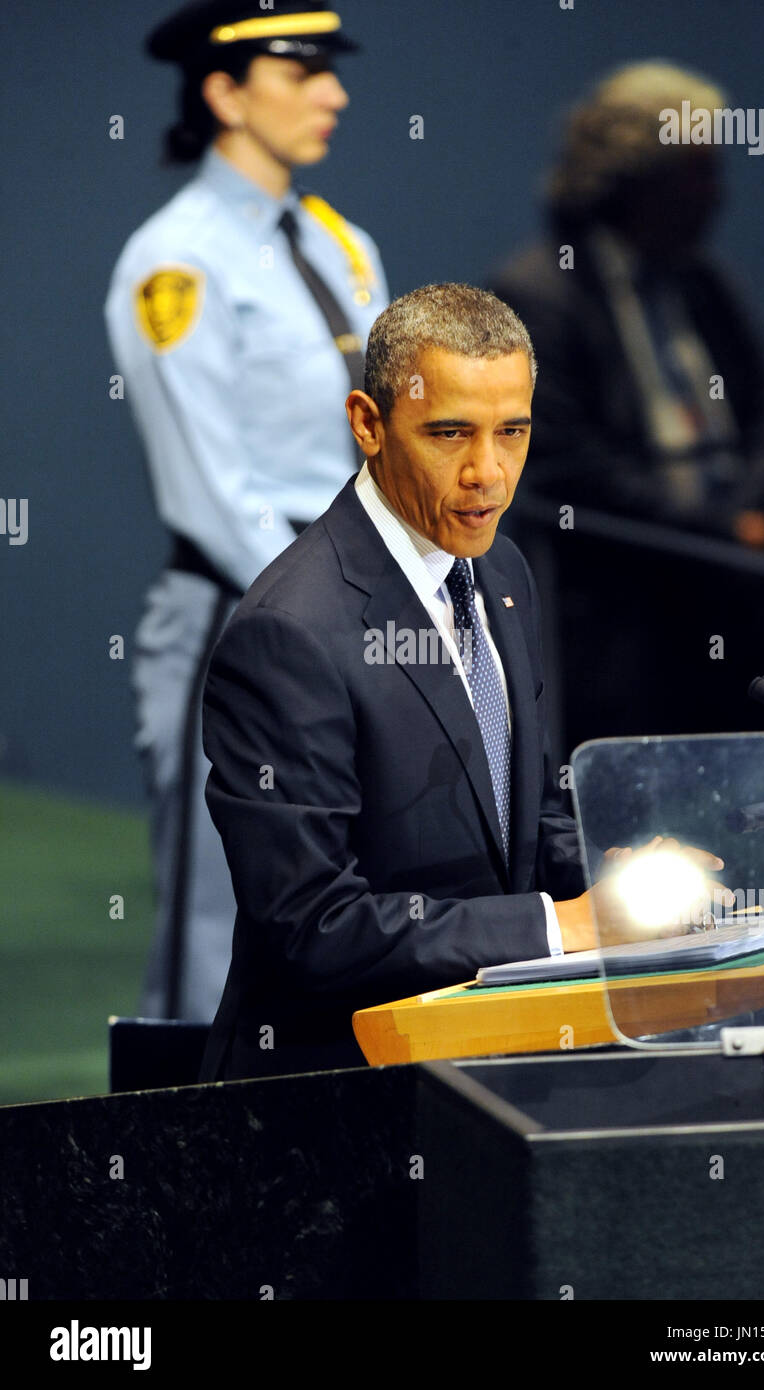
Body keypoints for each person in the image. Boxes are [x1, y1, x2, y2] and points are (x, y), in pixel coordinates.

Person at [199, 284, 726, 1082]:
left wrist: (609, 874)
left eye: (511, 432)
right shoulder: (289, 632)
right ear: (368, 424)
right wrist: (564, 927)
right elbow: (312, 925)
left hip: (490, 1065)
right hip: (330, 1096)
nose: (487, 473)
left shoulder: (501, 569)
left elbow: (519, 814)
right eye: (449, 434)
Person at [104, 1, 388, 1022]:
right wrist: (338, 612)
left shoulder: (341, 243)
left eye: (330, 69)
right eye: (301, 69)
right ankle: (172, 1166)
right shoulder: (174, 261)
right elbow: (208, 492)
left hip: (360, 620)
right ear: (224, 92)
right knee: (217, 919)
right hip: (246, 620)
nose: (334, 92)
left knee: (364, 897)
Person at [491, 61, 764, 544]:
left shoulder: (704, 280)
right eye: (699, 173)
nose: (718, 195)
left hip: (740, 557)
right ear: (639, 175)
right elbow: (566, 465)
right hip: (622, 575)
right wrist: (714, 530)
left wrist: (750, 510)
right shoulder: (540, 293)